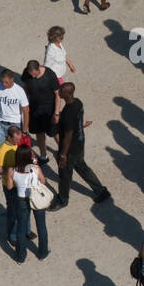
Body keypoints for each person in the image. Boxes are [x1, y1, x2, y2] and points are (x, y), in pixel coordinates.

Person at [53, 82, 111, 210]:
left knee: (65, 174)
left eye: (61, 91)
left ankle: (62, 200)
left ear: (68, 94)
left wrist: (63, 154)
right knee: (82, 167)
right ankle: (101, 191)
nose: (59, 92)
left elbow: (68, 135)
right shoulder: (78, 103)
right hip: (79, 142)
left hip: (70, 148)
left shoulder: (68, 112)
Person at [9, 144, 52, 259]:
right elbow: (43, 181)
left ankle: (21, 257)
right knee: (41, 226)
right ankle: (42, 254)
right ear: (29, 157)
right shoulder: (35, 168)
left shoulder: (12, 170)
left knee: (21, 228)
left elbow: (9, 187)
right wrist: (36, 164)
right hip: (36, 198)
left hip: (22, 200)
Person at [0, 68, 30, 157]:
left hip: (15, 124)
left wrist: (24, 130)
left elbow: (26, 111)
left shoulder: (19, 91)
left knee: (15, 151)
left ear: (12, 79)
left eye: (6, 82)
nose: (4, 84)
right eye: (2, 82)